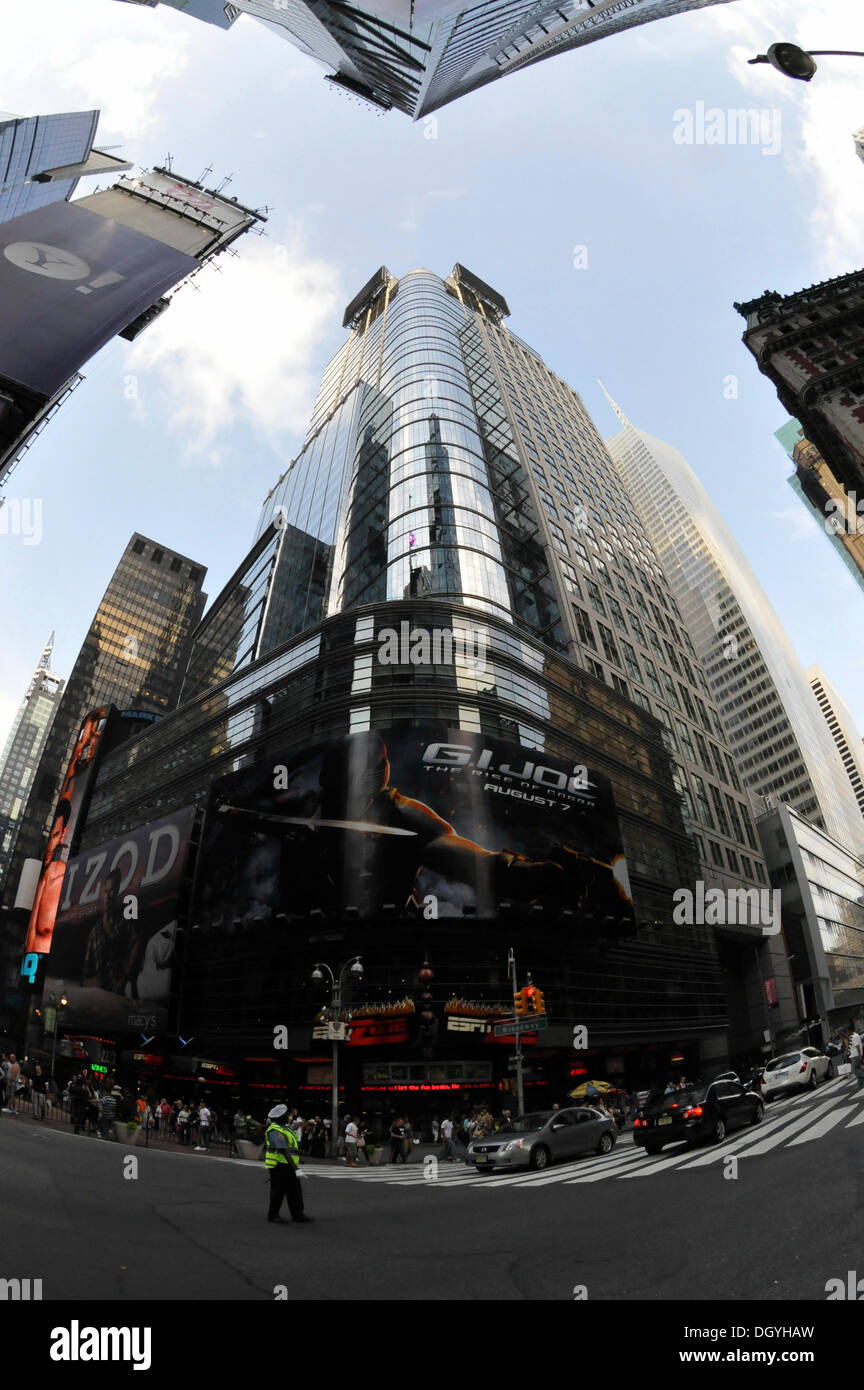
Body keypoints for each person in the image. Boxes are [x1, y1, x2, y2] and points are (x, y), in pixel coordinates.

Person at [264, 1104, 313, 1224]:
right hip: (279, 1165)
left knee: (295, 1191)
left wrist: (303, 1123)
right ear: (280, 1117)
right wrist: (296, 1168)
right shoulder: (274, 1130)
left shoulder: (285, 1128)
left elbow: (294, 1127)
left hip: (288, 1165)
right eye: (287, 1115)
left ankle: (298, 1214)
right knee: (278, 1191)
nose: (289, 1117)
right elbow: (283, 1149)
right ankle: (273, 1215)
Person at [847, 1021, 864, 1092]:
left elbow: (857, 1047)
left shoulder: (854, 1037)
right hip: (855, 1055)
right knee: (858, 1069)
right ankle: (860, 1084)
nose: (847, 1033)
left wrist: (860, 1056)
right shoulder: (855, 1035)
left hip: (856, 1056)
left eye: (847, 1031)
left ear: (850, 1031)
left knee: (854, 1070)